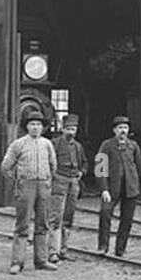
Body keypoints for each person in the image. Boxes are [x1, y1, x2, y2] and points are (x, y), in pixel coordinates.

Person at [0, 110, 57, 274]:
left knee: (42, 224)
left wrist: (47, 181)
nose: (35, 127)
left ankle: (42, 260)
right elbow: (5, 166)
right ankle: (17, 262)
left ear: (42, 127)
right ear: (27, 126)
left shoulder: (47, 144)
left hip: (44, 187)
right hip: (26, 187)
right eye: (32, 124)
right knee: (22, 225)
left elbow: (53, 166)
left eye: (39, 124)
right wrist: (19, 181)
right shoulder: (18, 144)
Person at [96, 116, 141, 257]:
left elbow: (139, 167)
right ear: (114, 130)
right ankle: (103, 246)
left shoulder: (134, 146)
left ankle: (120, 249)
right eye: (120, 128)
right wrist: (104, 189)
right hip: (111, 188)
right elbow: (100, 169)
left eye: (125, 128)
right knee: (105, 214)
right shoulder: (106, 145)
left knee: (127, 219)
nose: (123, 131)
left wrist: (133, 182)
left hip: (130, 188)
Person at [48, 113, 87, 264]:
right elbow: (49, 162)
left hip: (74, 183)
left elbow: (84, 163)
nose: (71, 132)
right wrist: (54, 176)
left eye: (74, 129)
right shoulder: (54, 144)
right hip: (59, 181)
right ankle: (53, 252)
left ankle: (64, 250)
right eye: (68, 129)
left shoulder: (78, 146)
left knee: (68, 218)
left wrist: (81, 173)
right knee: (55, 217)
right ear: (62, 129)